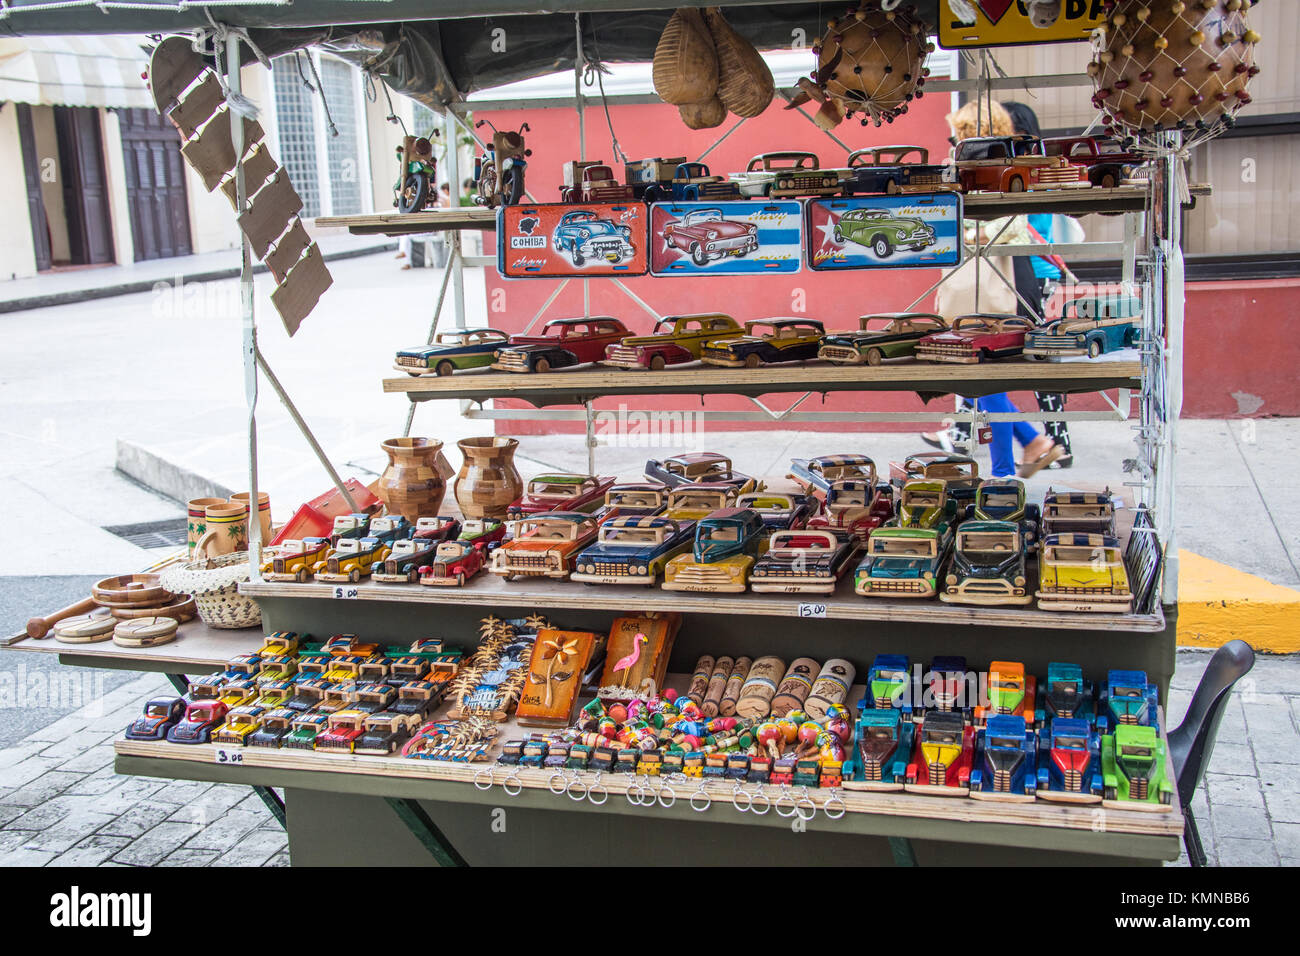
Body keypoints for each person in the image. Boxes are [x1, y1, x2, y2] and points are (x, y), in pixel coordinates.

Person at [918, 99, 1061, 478]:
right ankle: (1027, 445)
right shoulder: (977, 171)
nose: (954, 142)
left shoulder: (1004, 170)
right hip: (996, 280)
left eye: (959, 134)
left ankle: (1005, 472)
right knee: (982, 377)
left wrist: (964, 232)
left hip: (1002, 280)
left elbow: (1012, 228)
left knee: (986, 375)